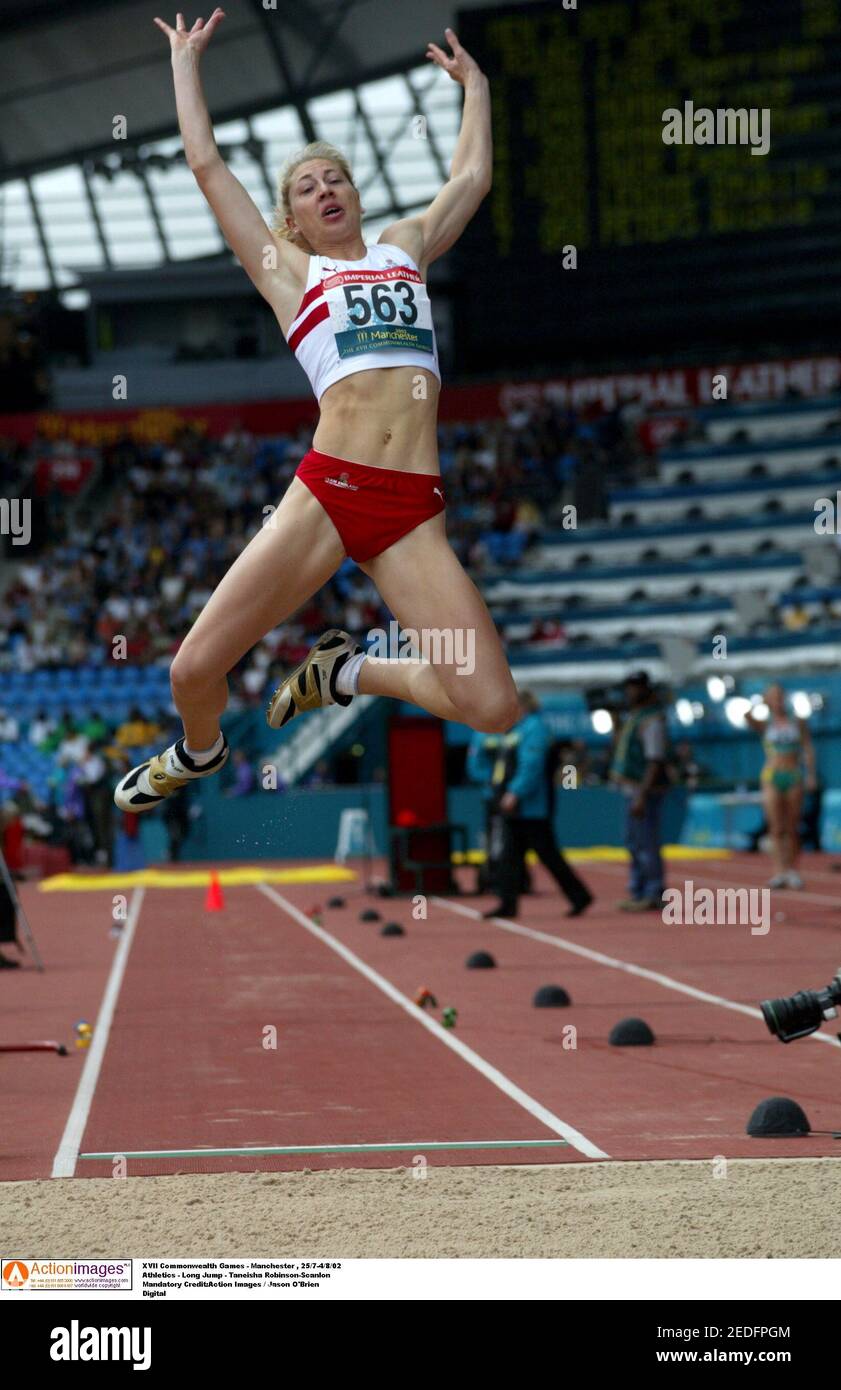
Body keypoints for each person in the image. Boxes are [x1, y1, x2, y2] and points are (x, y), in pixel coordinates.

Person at [115, 12, 517, 814]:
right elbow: (205, 165)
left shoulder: (404, 247)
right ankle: (198, 752)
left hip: (410, 516)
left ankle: (345, 672)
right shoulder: (285, 271)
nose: (324, 189)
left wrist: (476, 86)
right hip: (330, 492)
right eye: (305, 187)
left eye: (333, 178)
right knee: (192, 672)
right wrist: (184, 63)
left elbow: (469, 181)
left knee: (494, 707)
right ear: (289, 220)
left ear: (355, 196)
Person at [468, 690, 593, 919]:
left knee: (547, 854)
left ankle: (579, 896)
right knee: (510, 856)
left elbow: (531, 765)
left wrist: (514, 793)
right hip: (518, 808)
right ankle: (508, 904)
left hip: (532, 807)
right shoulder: (516, 729)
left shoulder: (534, 728)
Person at [745, 684, 816, 888]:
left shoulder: (797, 721)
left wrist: (810, 774)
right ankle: (779, 871)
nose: (777, 700)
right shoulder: (766, 722)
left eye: (779, 696)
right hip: (772, 775)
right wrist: (759, 701)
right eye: (773, 697)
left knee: (793, 826)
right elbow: (746, 717)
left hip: (793, 774)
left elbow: (808, 747)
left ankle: (793, 870)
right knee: (776, 827)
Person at [610, 671, 669, 911]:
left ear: (645, 689)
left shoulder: (652, 720)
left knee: (645, 843)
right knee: (634, 842)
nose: (628, 693)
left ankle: (652, 892)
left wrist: (642, 796)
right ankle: (639, 891)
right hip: (632, 788)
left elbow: (655, 760)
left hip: (642, 790)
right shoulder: (634, 717)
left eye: (633, 688)